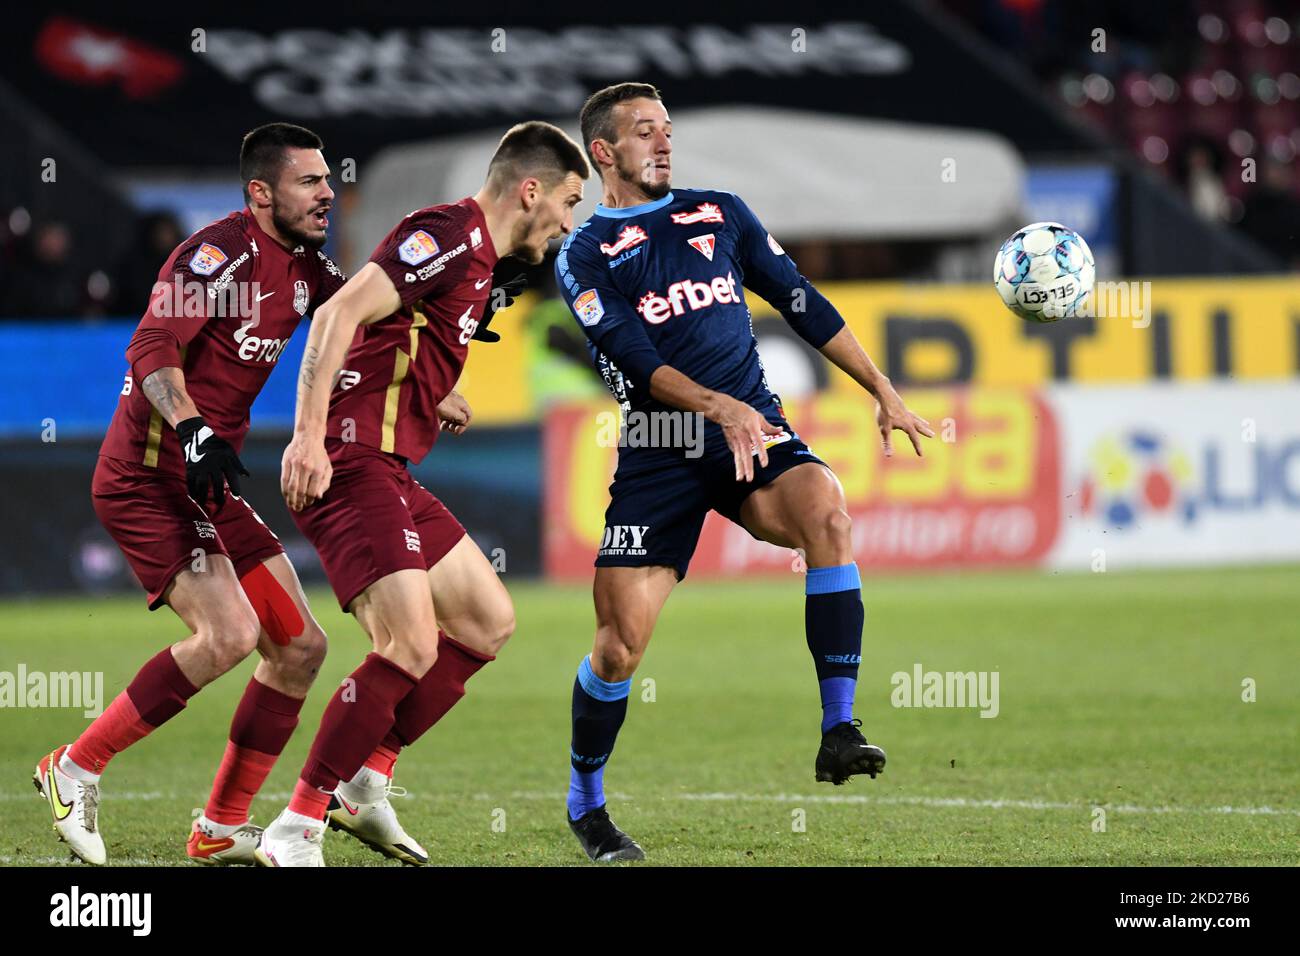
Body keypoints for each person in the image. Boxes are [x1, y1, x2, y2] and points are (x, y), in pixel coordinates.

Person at [554, 83, 934, 862]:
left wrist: (883, 388)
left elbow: (801, 302)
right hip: (662, 446)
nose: (663, 143)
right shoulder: (585, 251)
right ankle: (585, 800)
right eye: (644, 133)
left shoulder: (721, 211)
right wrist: (718, 408)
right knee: (620, 648)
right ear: (603, 152)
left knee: (826, 510)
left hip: (752, 430)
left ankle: (839, 727)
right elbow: (637, 360)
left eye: (668, 130)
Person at [257, 121, 589, 866]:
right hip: (348, 461)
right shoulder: (445, 232)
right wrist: (307, 436)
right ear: (529, 190)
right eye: (568, 201)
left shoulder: (479, 263)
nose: (570, 221)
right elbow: (340, 313)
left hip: (391, 467)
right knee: (407, 644)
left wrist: (436, 387)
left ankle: (365, 784)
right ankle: (297, 824)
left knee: (485, 622)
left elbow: (392, 332)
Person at [33, 123, 360, 866]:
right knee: (230, 636)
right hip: (147, 477)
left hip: (205, 484)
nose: (326, 192)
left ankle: (218, 826)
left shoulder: (308, 268)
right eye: (309, 181)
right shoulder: (217, 255)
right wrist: (192, 429)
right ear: (260, 191)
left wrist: (454, 315)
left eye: (325, 180)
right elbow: (151, 345)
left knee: (302, 647)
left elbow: (362, 319)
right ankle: (73, 766)